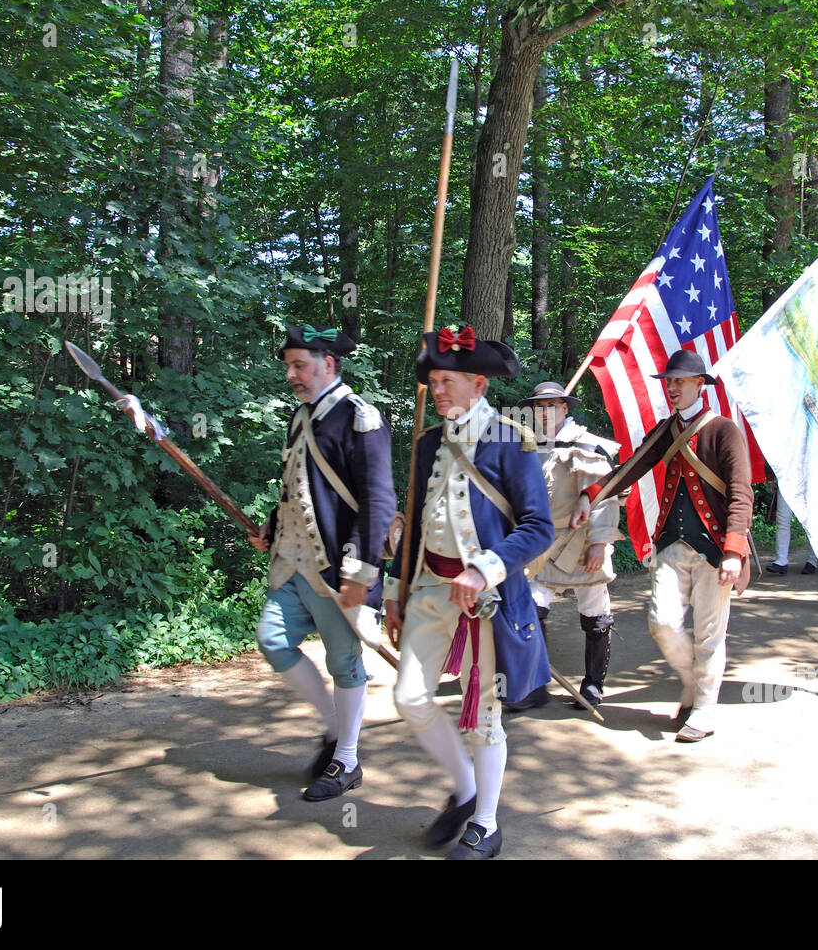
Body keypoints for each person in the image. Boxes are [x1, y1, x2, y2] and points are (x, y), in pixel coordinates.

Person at [384, 326, 553, 860]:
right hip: (430, 589)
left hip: (485, 600)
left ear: (478, 384)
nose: (438, 390)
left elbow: (538, 527)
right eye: (434, 381)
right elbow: (412, 525)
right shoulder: (427, 443)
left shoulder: (512, 439)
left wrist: (485, 568)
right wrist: (395, 589)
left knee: (482, 717)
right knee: (409, 698)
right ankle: (465, 788)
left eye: (449, 381)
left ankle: (485, 822)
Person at [571, 350, 753, 743]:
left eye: (679, 381)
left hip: (715, 549)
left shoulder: (724, 431)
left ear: (699, 385)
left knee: (708, 634)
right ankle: (694, 685)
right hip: (672, 544)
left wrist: (735, 551)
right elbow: (632, 466)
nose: (671, 388)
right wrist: (591, 495)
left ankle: (703, 708)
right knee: (663, 623)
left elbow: (741, 494)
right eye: (668, 382)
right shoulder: (667, 429)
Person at [248, 325, 396, 801]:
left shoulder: (360, 418)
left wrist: (361, 571)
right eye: (289, 365)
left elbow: (376, 501)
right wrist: (272, 524)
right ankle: (334, 729)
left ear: (328, 364)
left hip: (337, 568)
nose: (291, 374)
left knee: (344, 664)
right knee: (272, 640)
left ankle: (347, 760)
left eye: (300, 365)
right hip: (290, 559)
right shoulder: (300, 416)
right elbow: (296, 482)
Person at [519, 381, 622, 710]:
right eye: (540, 406)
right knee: (531, 609)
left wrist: (600, 543)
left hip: (582, 542)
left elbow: (603, 499)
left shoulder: (587, 445)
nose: (545, 411)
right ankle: (534, 683)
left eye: (552, 405)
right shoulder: (529, 445)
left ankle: (593, 685)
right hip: (543, 544)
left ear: (565, 408)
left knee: (594, 615)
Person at [768, 475, 818, 575]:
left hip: (812, 476)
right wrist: (770, 477)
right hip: (786, 477)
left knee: (812, 520)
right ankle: (781, 561)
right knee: (782, 519)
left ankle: (813, 560)